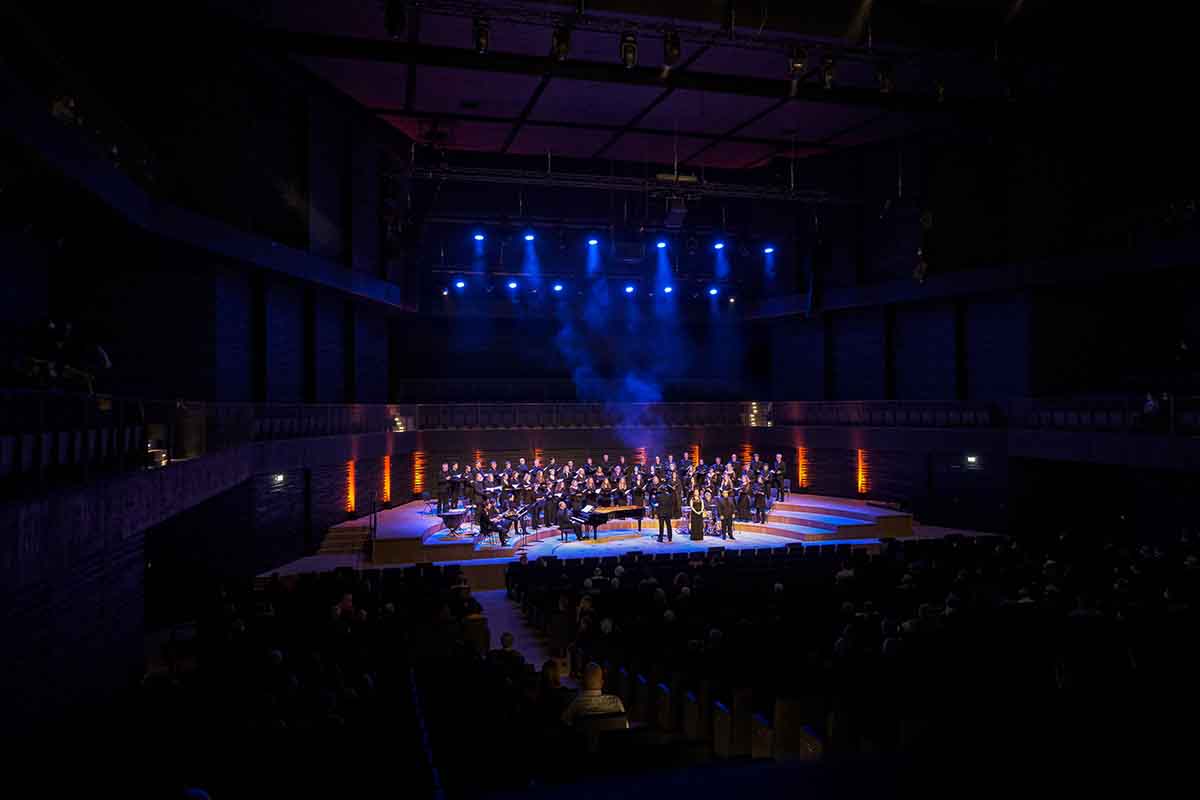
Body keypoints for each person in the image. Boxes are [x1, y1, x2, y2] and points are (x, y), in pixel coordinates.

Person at [561, 662, 625, 725]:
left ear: (582, 683)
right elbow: (625, 725)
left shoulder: (576, 705)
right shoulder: (616, 702)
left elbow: (563, 724)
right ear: (602, 683)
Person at [654, 476, 675, 543]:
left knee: (661, 526)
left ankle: (660, 539)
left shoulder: (658, 496)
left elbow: (656, 504)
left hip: (661, 513)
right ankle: (670, 538)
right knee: (669, 526)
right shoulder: (670, 496)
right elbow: (672, 503)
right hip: (668, 513)